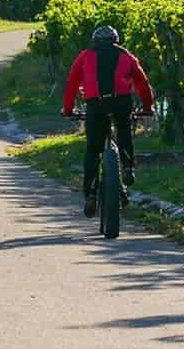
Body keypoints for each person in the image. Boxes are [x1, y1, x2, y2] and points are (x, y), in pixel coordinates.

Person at [61, 25, 155, 217]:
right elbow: (142, 83)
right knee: (124, 133)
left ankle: (91, 194)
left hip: (96, 104)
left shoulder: (85, 56)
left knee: (93, 150)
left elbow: (72, 83)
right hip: (121, 103)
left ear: (95, 41)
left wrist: (68, 109)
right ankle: (128, 167)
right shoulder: (126, 56)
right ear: (116, 40)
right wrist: (147, 106)